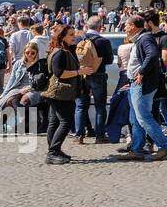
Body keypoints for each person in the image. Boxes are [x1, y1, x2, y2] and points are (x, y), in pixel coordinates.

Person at [120, 15, 167, 162]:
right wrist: (131, 79)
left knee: (143, 117)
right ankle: (137, 149)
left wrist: (141, 73)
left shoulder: (145, 38)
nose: (124, 28)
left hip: (142, 85)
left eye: (126, 25)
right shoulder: (141, 39)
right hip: (134, 83)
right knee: (136, 119)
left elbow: (152, 55)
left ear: (133, 26)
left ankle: (165, 145)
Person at [43, 25, 83, 165]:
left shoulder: (64, 49)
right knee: (65, 122)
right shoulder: (60, 52)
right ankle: (52, 152)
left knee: (54, 122)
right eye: (71, 34)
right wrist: (79, 72)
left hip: (58, 92)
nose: (74, 36)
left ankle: (54, 150)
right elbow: (59, 73)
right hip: (60, 92)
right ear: (62, 36)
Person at [74, 15, 114, 144]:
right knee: (100, 106)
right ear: (99, 26)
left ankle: (79, 135)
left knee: (80, 105)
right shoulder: (103, 41)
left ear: (87, 25)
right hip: (98, 75)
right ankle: (100, 135)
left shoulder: (78, 39)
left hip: (81, 74)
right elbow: (109, 60)